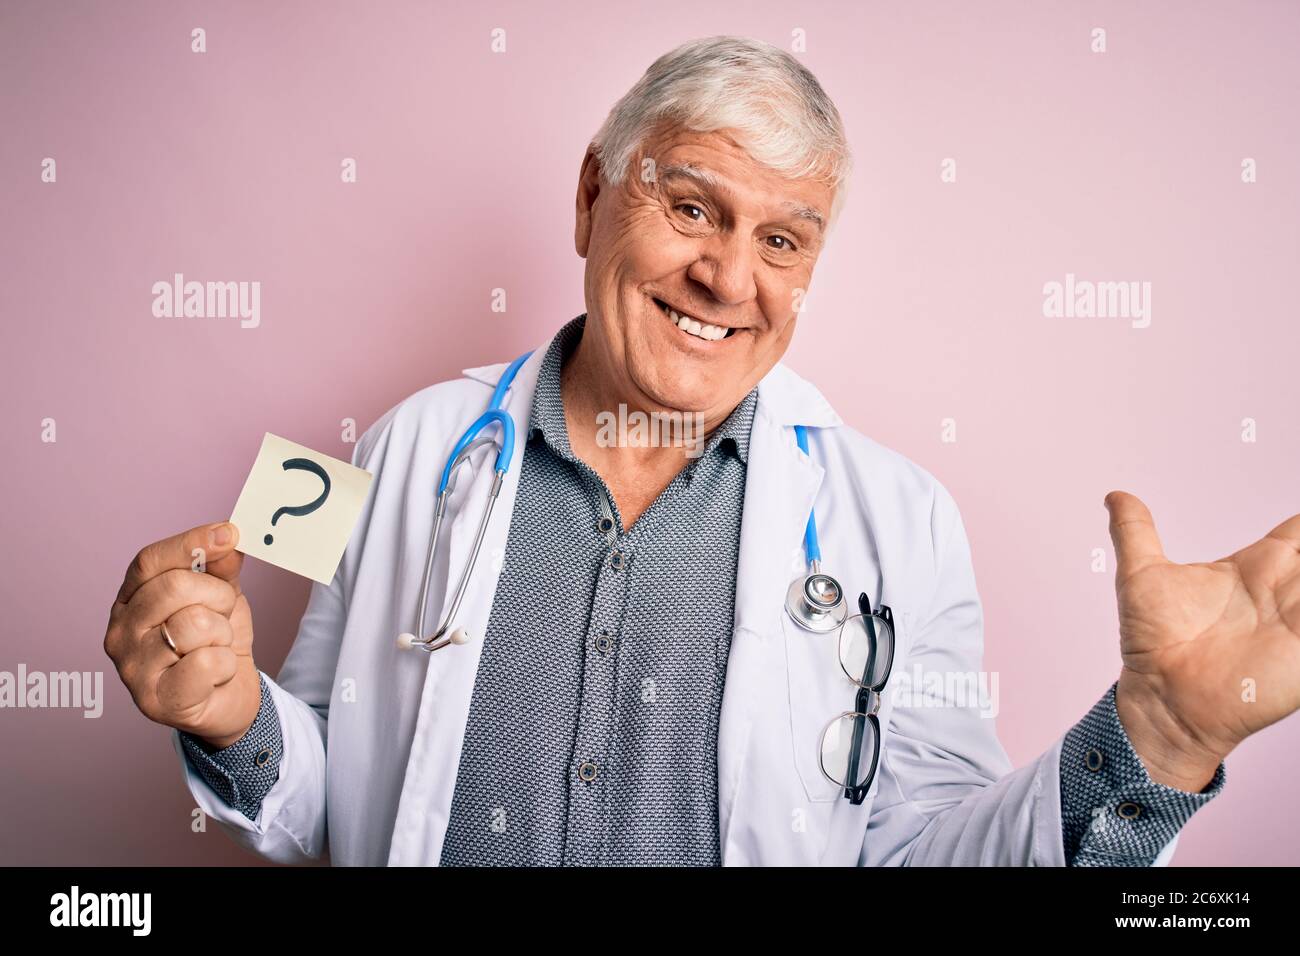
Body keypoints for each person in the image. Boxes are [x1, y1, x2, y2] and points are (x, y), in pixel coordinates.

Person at [103, 36, 1299, 866]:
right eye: (691, 208)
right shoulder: (407, 446)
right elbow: (326, 794)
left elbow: (925, 853)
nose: (729, 278)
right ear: (589, 196)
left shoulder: (904, 517)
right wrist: (226, 717)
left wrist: (1162, 737)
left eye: (782, 239)